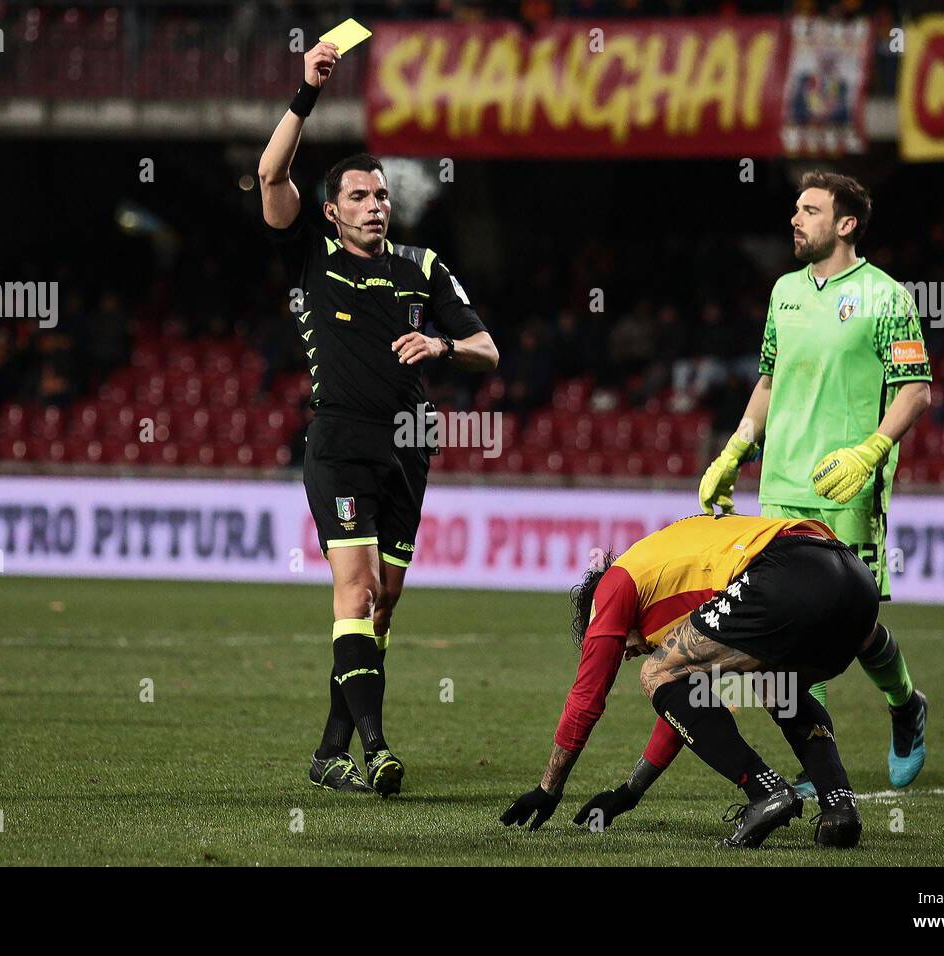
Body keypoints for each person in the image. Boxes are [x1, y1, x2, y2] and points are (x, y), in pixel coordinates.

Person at [258, 41, 499, 795]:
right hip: (339, 441)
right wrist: (305, 92)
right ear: (333, 210)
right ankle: (378, 747)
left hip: (411, 445)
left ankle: (330, 754)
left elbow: (488, 351)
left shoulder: (422, 267)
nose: (374, 204)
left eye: (382, 195)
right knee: (355, 593)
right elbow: (271, 175)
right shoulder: (312, 252)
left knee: (380, 610)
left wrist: (442, 343)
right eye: (360, 196)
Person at [698, 171, 931, 794]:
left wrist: (872, 450)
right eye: (796, 209)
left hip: (848, 488)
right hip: (780, 488)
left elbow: (916, 390)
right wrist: (735, 450)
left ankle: (905, 704)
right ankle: (819, 765)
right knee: (795, 625)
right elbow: (769, 380)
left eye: (810, 210)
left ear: (846, 224)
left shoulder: (886, 297)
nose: (795, 220)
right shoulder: (784, 293)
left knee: (849, 626)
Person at [500, 514, 882, 849]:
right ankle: (839, 807)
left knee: (656, 673)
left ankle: (765, 791)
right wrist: (630, 792)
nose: (628, 653)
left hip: (783, 574)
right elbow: (691, 707)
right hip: (853, 582)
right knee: (773, 683)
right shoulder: (671, 572)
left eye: (621, 646)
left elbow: (587, 697)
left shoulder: (613, 587)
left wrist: (549, 788)